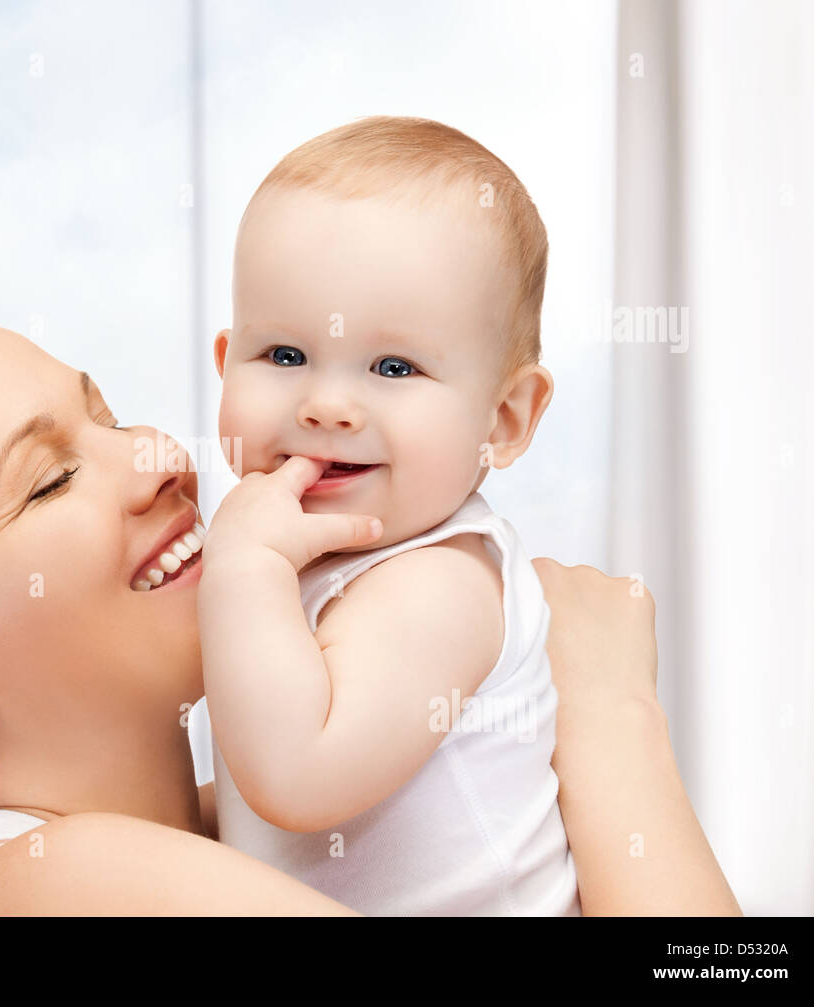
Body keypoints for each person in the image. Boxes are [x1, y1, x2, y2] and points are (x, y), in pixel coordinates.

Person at [0, 302, 740, 916]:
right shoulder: (47, 886)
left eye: (106, 416)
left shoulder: (242, 827)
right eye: (49, 480)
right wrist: (608, 713)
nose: (157, 457)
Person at [196, 115, 571, 913]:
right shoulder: (299, 553)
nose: (328, 404)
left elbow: (298, 774)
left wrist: (244, 570)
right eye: (286, 356)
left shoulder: (441, 581)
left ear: (503, 418)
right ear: (227, 363)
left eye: (394, 366)